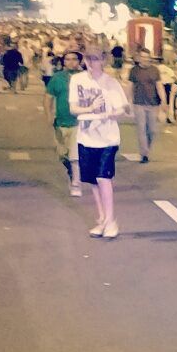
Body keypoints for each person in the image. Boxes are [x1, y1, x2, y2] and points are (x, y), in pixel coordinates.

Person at [70, 45, 130, 239]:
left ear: (103, 60)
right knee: (93, 181)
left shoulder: (110, 83)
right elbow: (73, 109)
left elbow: (122, 108)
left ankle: (111, 221)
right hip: (86, 136)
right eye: (88, 59)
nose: (91, 63)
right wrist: (90, 108)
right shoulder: (77, 80)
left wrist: (108, 114)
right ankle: (102, 218)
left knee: (104, 178)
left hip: (108, 138)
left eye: (95, 59)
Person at [44, 50, 84, 196]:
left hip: (78, 122)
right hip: (60, 122)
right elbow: (48, 97)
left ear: (79, 62)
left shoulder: (85, 78)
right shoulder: (57, 78)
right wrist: (49, 114)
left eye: (74, 59)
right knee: (62, 154)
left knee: (75, 155)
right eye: (67, 59)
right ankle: (72, 171)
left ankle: (76, 183)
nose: (71, 62)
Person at [127, 48, 164, 163]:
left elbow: (159, 86)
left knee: (152, 130)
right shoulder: (134, 70)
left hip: (153, 103)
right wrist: (128, 101)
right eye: (142, 57)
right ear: (139, 58)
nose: (145, 59)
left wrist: (164, 101)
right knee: (141, 129)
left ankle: (147, 148)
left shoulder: (154, 70)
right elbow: (130, 86)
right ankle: (144, 153)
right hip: (139, 103)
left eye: (147, 57)